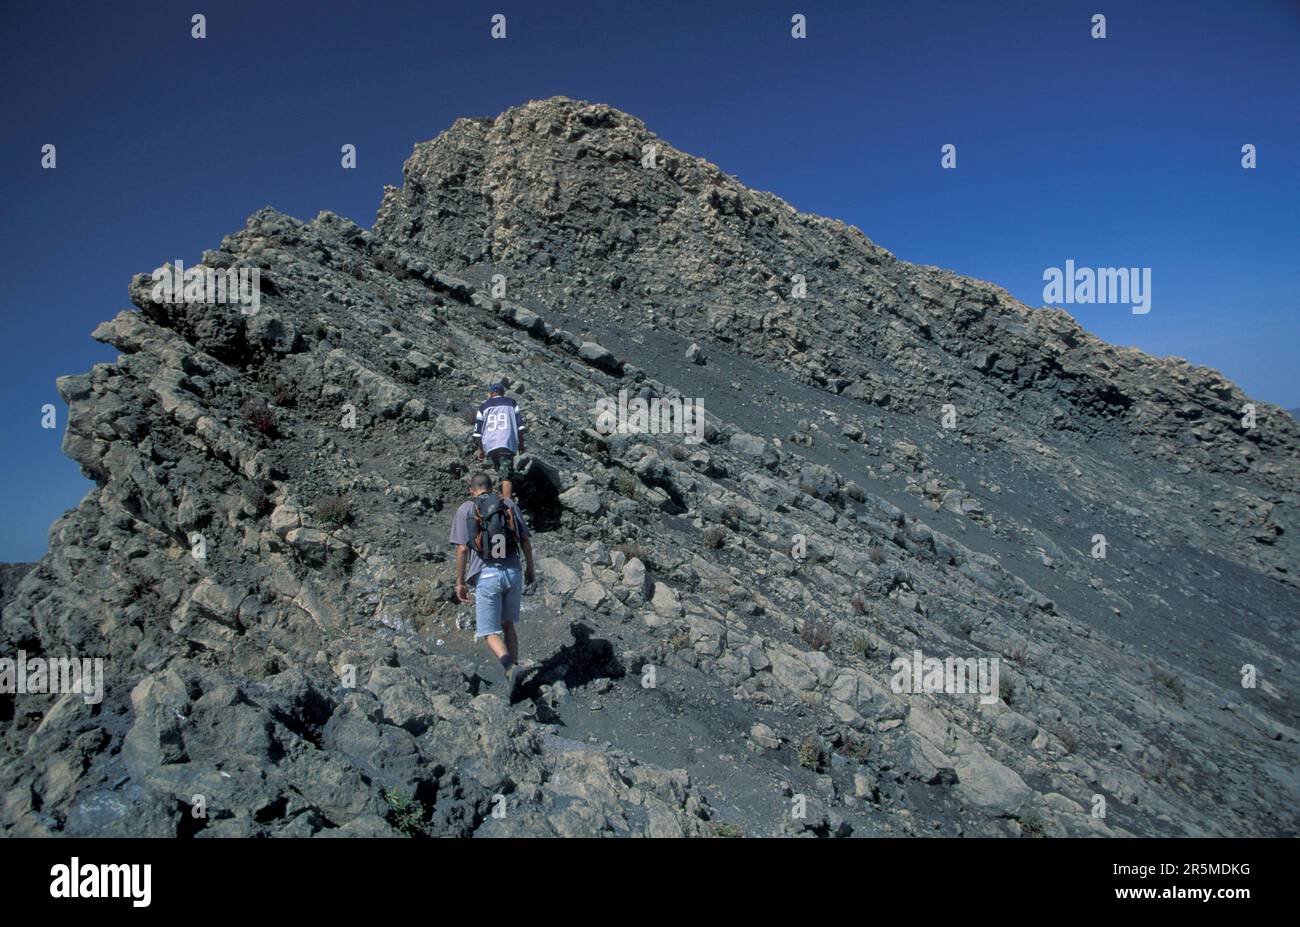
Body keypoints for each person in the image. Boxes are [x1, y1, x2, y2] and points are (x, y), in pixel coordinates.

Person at [449, 471, 536, 695]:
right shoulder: (507, 504)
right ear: (492, 486)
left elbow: (462, 549)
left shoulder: (466, 509)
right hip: (513, 571)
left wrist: (460, 582)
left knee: (489, 632)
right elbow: (524, 538)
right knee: (508, 625)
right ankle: (515, 678)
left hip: (487, 574)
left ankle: (509, 666)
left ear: (471, 489)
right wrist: (530, 569)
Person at [472, 382, 525, 501]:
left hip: (490, 444)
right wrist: (521, 443)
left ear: (491, 393)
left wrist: (480, 449)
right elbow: (520, 427)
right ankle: (507, 505)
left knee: (493, 472)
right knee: (506, 477)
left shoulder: (484, 406)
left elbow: (477, 433)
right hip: (506, 442)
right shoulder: (511, 403)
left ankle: (488, 502)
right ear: (503, 392)